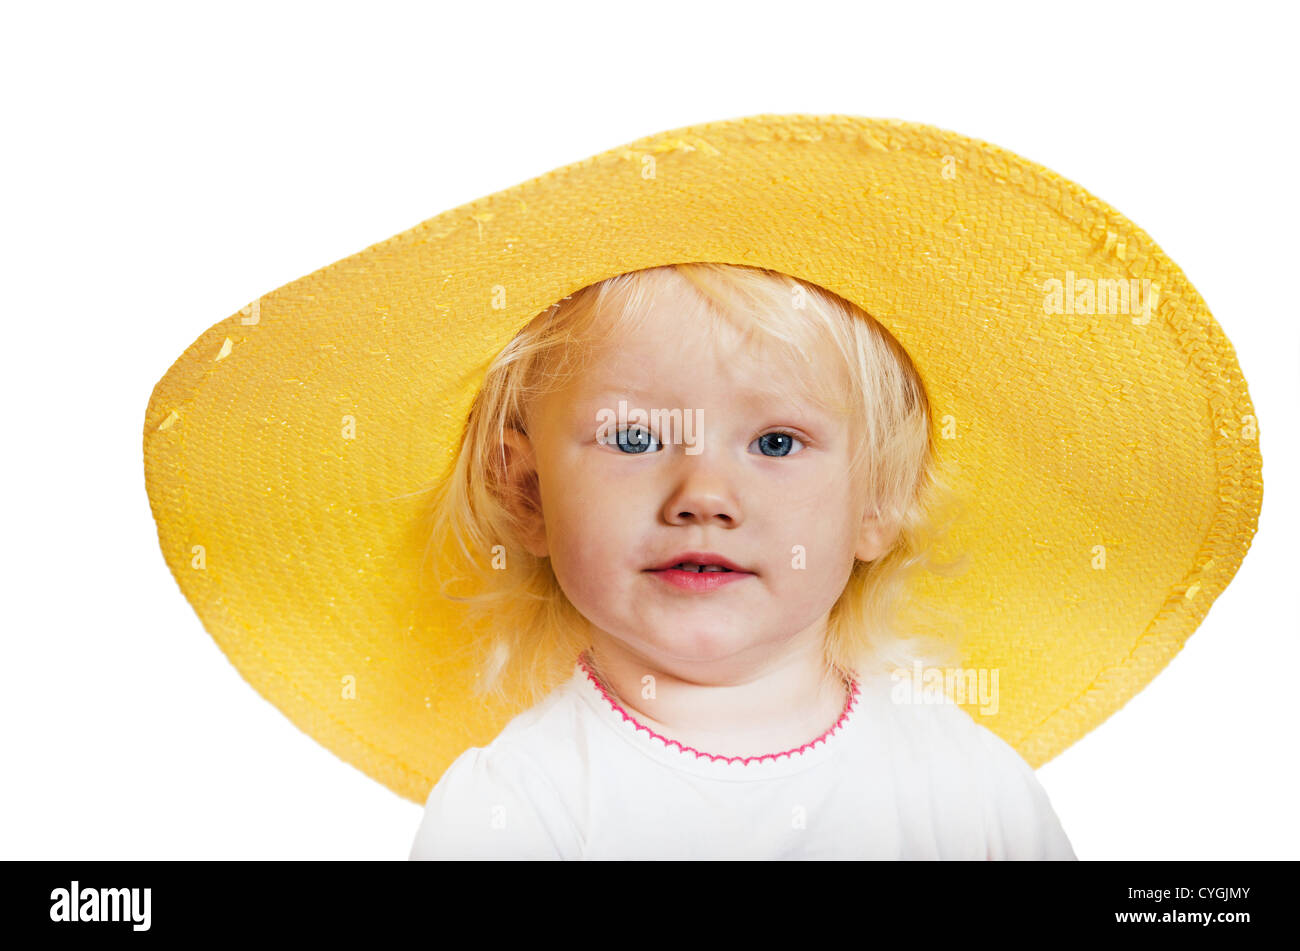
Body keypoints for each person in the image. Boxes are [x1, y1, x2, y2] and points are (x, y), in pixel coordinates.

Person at [408, 262, 1076, 859]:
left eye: (776, 442)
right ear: (527, 493)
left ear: (877, 499)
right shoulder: (512, 808)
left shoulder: (968, 790)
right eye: (634, 437)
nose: (703, 496)